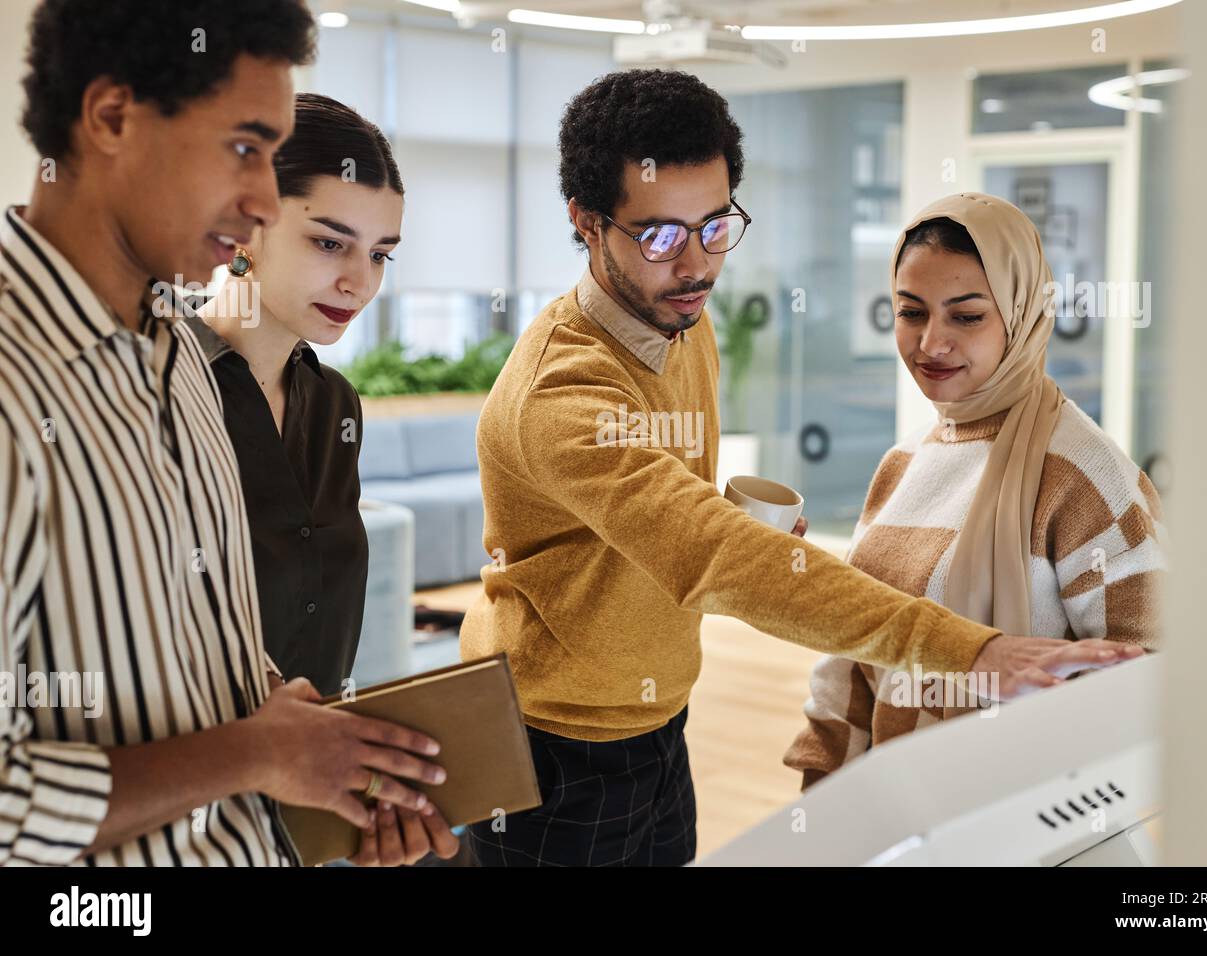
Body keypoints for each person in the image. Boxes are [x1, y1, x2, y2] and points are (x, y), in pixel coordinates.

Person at [460, 70, 1143, 867]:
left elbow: (663, 516)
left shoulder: (681, 320)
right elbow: (709, 551)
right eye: (658, 236)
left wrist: (717, 517)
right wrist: (976, 653)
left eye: (715, 226)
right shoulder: (564, 388)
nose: (695, 266)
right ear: (586, 223)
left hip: (657, 720)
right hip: (554, 744)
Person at [0, 0, 447, 866]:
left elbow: (220, 661)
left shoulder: (171, 358)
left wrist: (323, 762)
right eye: (245, 150)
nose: (258, 201)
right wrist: (260, 754)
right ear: (111, 118)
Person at [784, 194, 1166, 788]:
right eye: (912, 312)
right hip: (893, 813)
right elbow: (854, 658)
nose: (931, 343)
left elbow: (1145, 676)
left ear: (1020, 314)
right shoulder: (904, 461)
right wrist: (822, 790)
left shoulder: (1081, 471)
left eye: (966, 316)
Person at [184, 93, 455, 865]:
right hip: (190, 813)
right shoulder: (156, 393)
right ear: (249, 222)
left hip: (313, 811)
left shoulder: (335, 403)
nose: (360, 281)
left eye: (379, 254)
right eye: (330, 242)